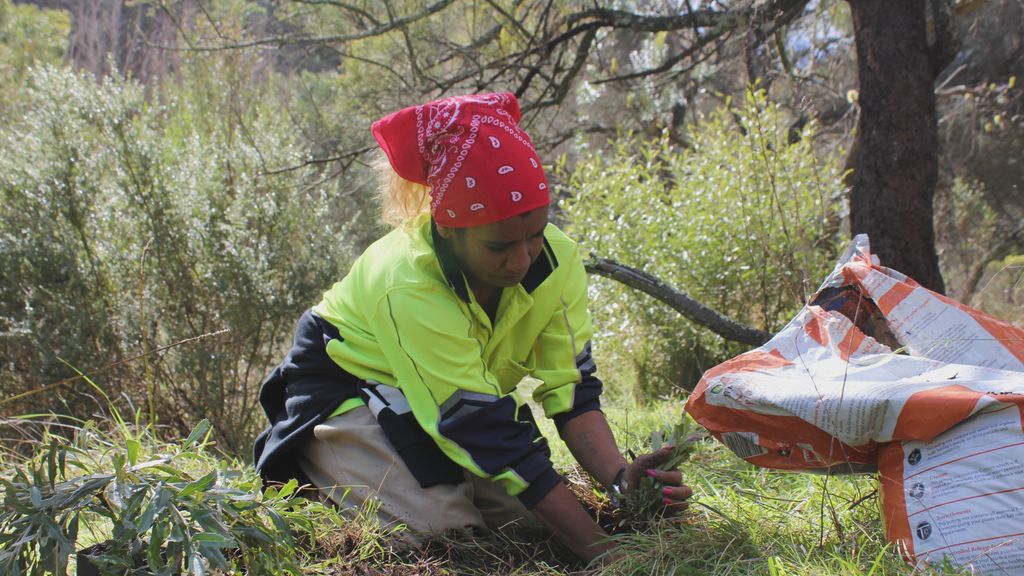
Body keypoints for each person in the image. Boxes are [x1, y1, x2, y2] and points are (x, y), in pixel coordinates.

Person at [253, 92, 693, 564]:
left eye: (534, 235)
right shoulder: (407, 282)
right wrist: (605, 554)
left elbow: (572, 389)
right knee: (441, 534)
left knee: (521, 522)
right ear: (447, 227)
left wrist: (620, 480)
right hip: (351, 385)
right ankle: (323, 462)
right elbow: (480, 426)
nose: (522, 261)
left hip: (448, 398)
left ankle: (417, 465)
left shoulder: (558, 260)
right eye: (499, 246)